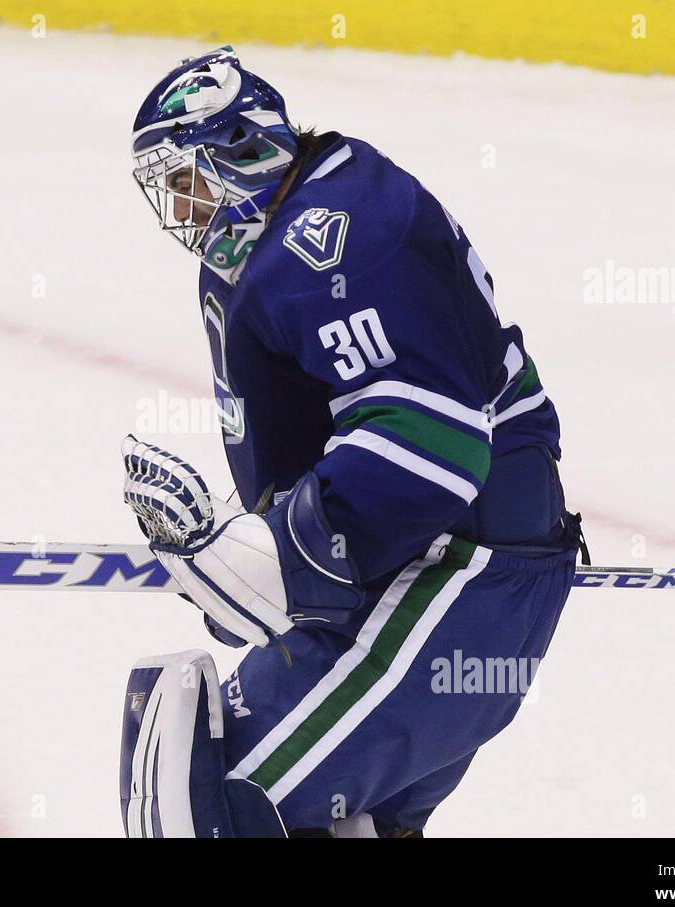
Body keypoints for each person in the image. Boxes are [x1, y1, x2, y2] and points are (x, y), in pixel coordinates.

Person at [118, 47, 583, 838]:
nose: (183, 211)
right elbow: (305, 466)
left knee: (211, 804)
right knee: (299, 810)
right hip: (404, 567)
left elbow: (433, 444)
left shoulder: (340, 233)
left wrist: (277, 562)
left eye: (189, 181)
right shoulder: (263, 254)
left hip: (466, 572)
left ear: (243, 148)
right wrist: (243, 551)